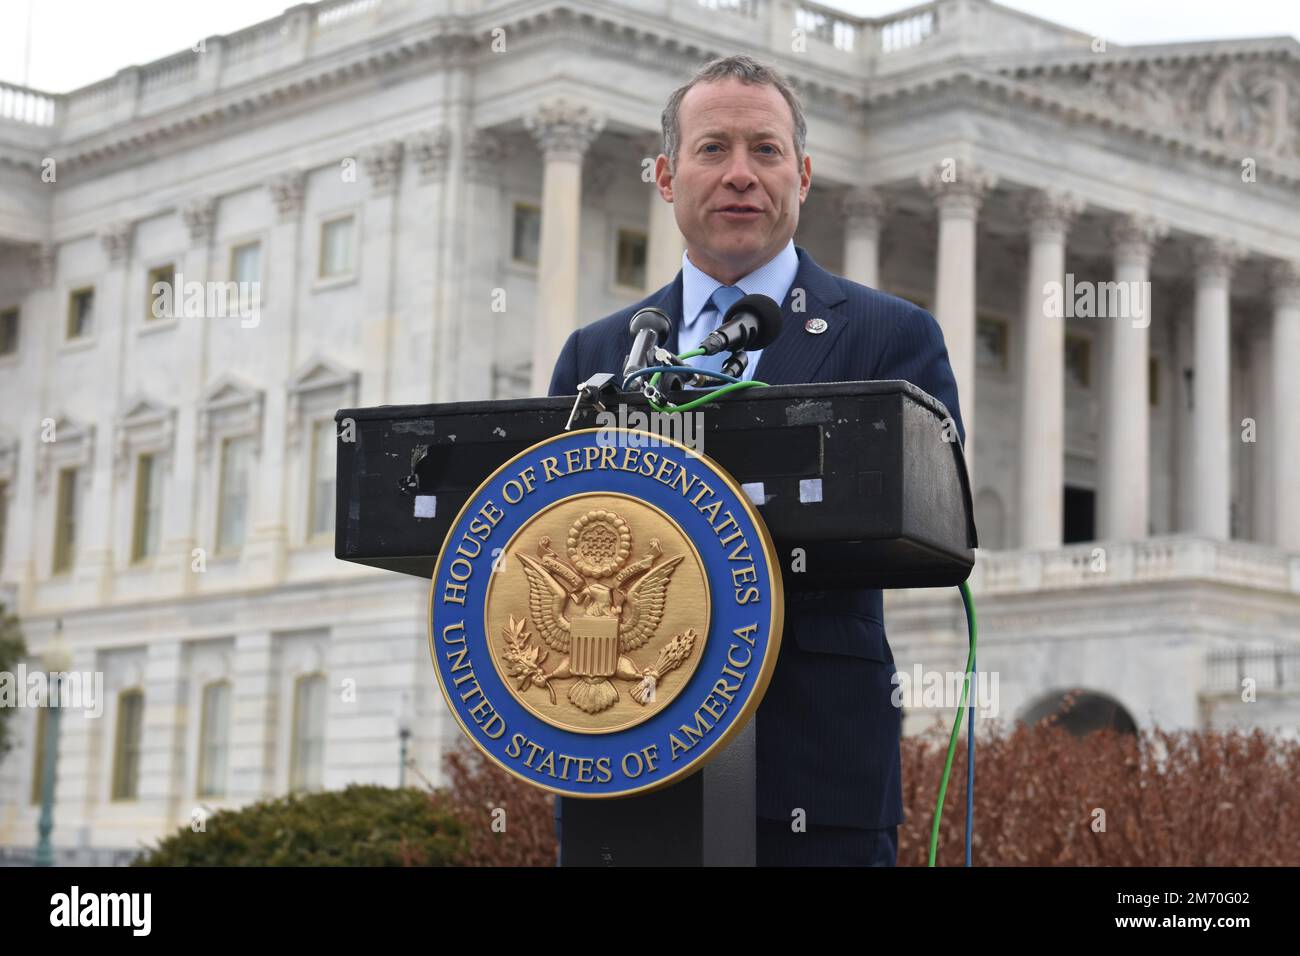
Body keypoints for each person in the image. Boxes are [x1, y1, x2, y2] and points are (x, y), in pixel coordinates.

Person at [547, 54, 966, 866]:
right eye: (713, 150)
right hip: (622, 762)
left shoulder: (891, 337)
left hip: (813, 771)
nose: (741, 174)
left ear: (803, 175)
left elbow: (939, 526)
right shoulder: (598, 354)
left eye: (766, 151)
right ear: (666, 177)